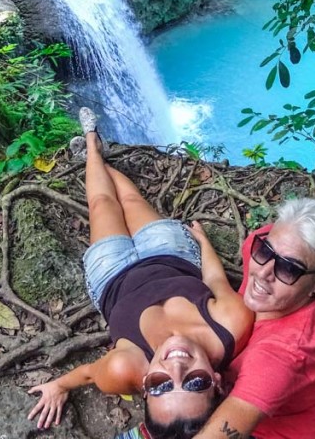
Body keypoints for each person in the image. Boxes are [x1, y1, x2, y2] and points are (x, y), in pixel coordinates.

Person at [27, 108, 254, 438]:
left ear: (145, 387)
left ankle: (91, 146)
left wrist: (58, 386)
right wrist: (204, 243)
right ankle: (100, 161)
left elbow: (90, 374)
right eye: (195, 382)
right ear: (216, 382)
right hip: (170, 253)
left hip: (113, 275)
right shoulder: (233, 324)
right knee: (131, 199)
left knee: (102, 203)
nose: (177, 366)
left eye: (163, 385)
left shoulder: (124, 369)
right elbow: (215, 281)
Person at [193, 198, 315, 439]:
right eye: (265, 251)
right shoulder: (269, 244)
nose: (262, 273)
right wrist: (203, 243)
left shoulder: (282, 355)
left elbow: (226, 429)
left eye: (289, 269)